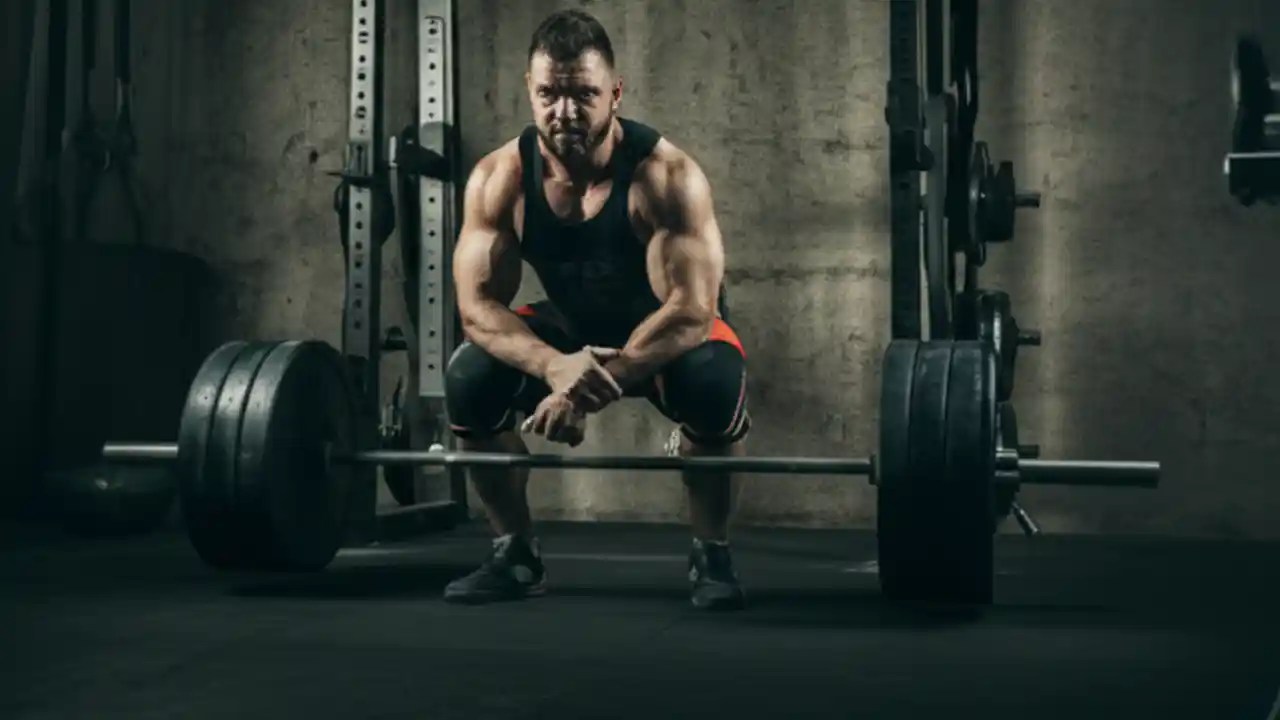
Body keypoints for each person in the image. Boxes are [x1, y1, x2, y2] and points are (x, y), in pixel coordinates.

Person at [443, 9, 751, 611]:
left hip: (665, 331)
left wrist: (581, 388)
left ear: (614, 92)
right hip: (571, 328)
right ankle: (515, 553)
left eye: (583, 93)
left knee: (714, 381)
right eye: (549, 94)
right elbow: (478, 307)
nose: (565, 112)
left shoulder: (666, 176)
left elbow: (690, 309)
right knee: (469, 375)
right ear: (529, 93)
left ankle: (711, 553)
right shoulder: (498, 178)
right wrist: (556, 368)